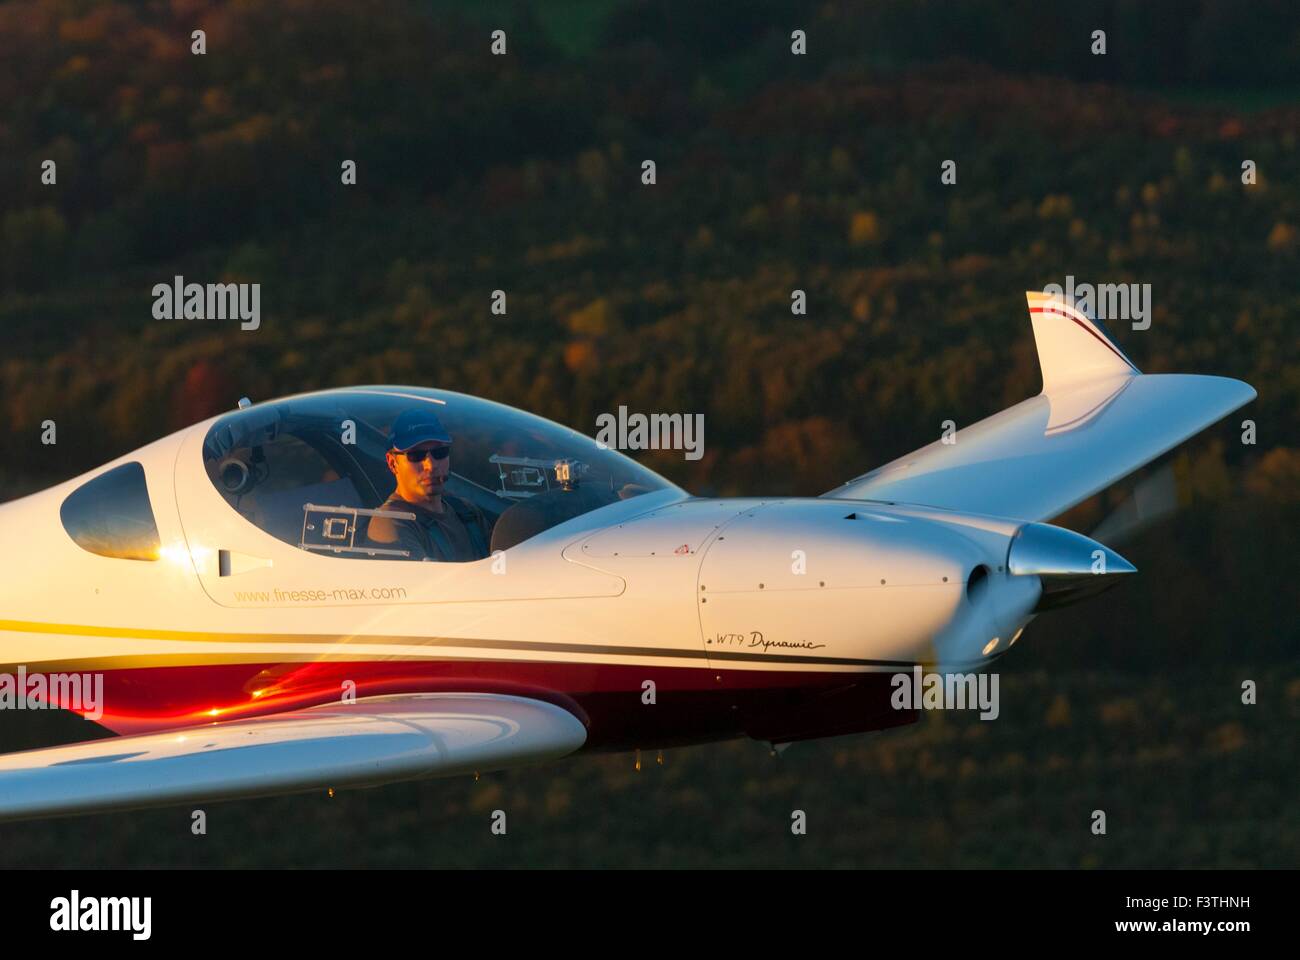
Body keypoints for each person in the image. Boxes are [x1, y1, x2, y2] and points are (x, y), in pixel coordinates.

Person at [366, 408, 491, 561]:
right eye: (416, 455)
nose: (430, 465)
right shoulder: (391, 523)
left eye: (440, 452)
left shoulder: (468, 512)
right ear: (393, 463)